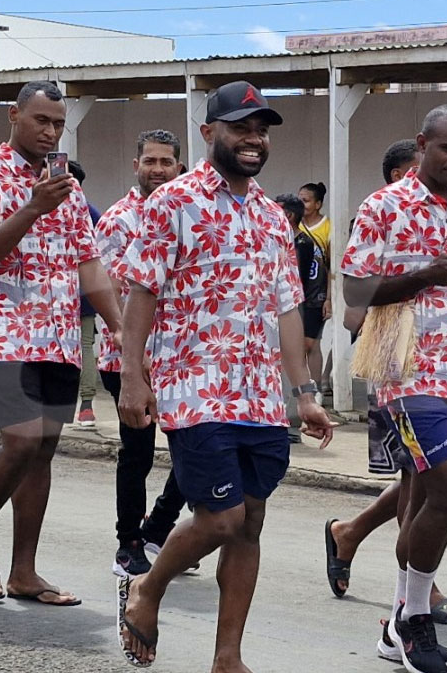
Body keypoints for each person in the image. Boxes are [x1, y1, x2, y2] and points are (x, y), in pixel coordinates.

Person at [115, 80, 335, 672]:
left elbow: (287, 310)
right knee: (221, 517)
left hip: (259, 397)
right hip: (194, 388)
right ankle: (148, 587)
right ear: (209, 132)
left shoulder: (273, 217)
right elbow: (142, 292)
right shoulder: (173, 202)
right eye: (241, 127)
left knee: (249, 522)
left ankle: (227, 656)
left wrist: (304, 395)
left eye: (261, 129)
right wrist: (133, 377)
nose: (253, 138)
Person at [0, 81, 123, 606]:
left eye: (58, 124)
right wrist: (31, 208)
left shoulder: (67, 188)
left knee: (42, 452)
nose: (50, 132)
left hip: (60, 338)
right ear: (14, 115)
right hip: (3, 336)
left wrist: (118, 325)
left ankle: (24, 572)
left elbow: (89, 265)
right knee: (21, 442)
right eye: (41, 120)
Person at [340, 104, 447, 672]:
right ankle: (414, 622)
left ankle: (396, 623)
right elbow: (355, 293)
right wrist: (422, 276)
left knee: (423, 497)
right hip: (406, 373)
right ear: (423, 144)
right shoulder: (382, 206)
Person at [324, 138, 447, 632]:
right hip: (398, 366)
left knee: (423, 479)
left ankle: (352, 536)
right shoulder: (381, 213)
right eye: (435, 158)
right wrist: (423, 278)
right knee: (436, 484)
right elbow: (354, 304)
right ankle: (415, 601)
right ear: (401, 172)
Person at [95, 129, 189, 578]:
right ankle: (129, 544)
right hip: (127, 360)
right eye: (149, 161)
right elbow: (111, 291)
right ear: (136, 166)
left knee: (193, 450)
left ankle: (159, 529)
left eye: (165, 162)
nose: (157, 169)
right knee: (138, 455)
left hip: (181, 359)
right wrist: (133, 353)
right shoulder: (117, 221)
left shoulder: (190, 214)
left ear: (179, 167)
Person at [277, 192, 327, 443]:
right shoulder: (295, 239)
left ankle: (291, 423)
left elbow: (294, 281)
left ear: (288, 215)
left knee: (293, 360)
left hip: (299, 307)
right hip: (297, 306)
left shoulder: (301, 243)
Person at [69, 160, 103, 429]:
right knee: (83, 347)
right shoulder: (91, 212)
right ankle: (83, 407)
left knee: (83, 346)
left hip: (80, 292)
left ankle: (86, 404)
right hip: (61, 294)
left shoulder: (88, 213)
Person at [296, 181, 331, 391]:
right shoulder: (294, 226)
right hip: (296, 294)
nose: (301, 205)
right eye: (299, 200)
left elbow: (331, 267)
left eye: (306, 201)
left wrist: (329, 298)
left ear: (317, 204)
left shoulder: (328, 228)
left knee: (312, 344)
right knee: (296, 345)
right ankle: (300, 389)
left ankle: (316, 389)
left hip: (316, 295)